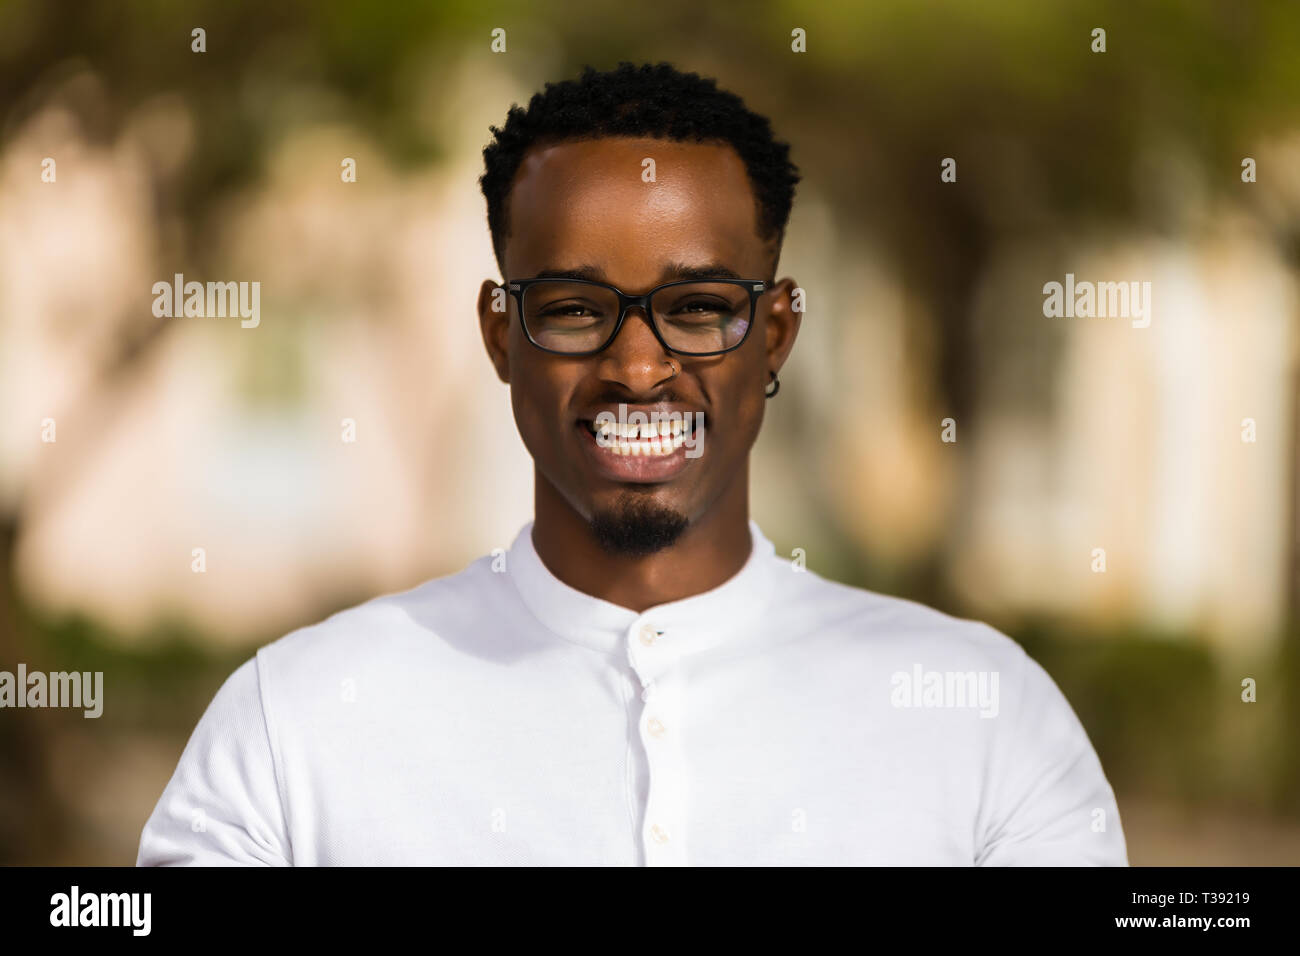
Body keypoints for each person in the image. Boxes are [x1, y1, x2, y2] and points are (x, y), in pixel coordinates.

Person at [137, 61, 1127, 866]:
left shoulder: (986, 718)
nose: (638, 366)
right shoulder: (294, 725)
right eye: (574, 307)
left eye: (698, 308)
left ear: (774, 333)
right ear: (499, 334)